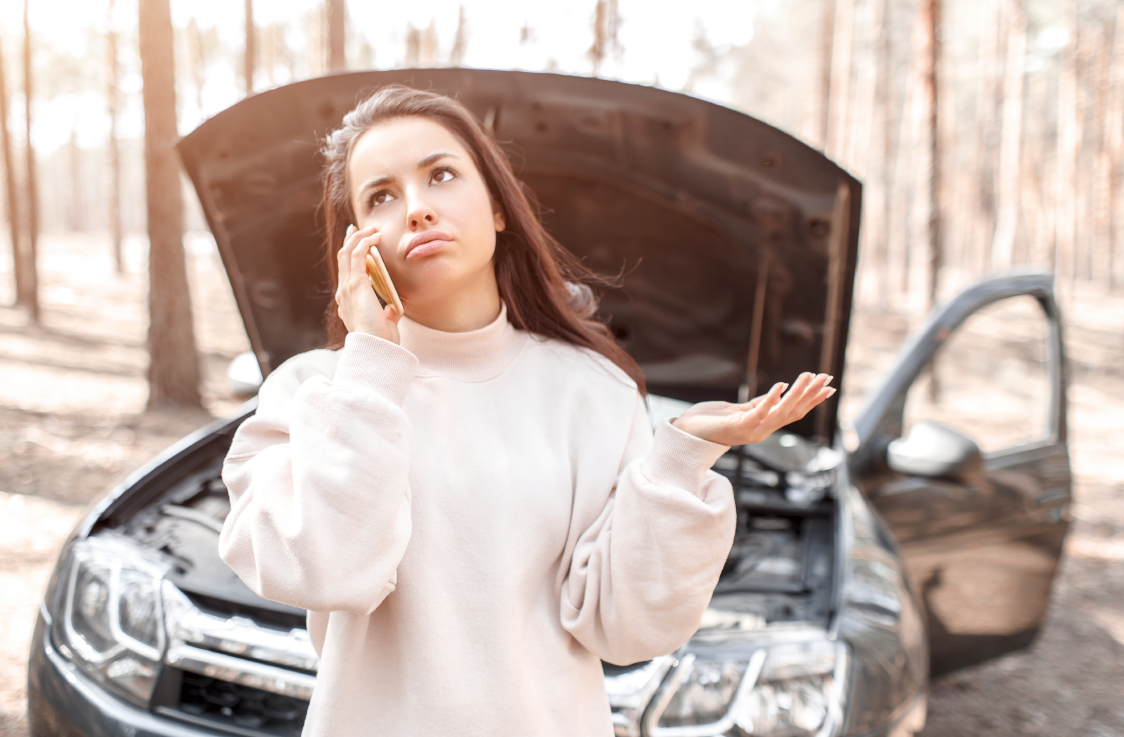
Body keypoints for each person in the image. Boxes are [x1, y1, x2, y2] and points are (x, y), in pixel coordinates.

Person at [217, 85, 835, 736]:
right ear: (357, 245)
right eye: (382, 196)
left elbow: (623, 625)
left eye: (442, 175)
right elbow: (329, 567)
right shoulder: (311, 391)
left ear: (498, 206)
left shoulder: (592, 390)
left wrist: (683, 453)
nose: (419, 209)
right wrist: (371, 363)